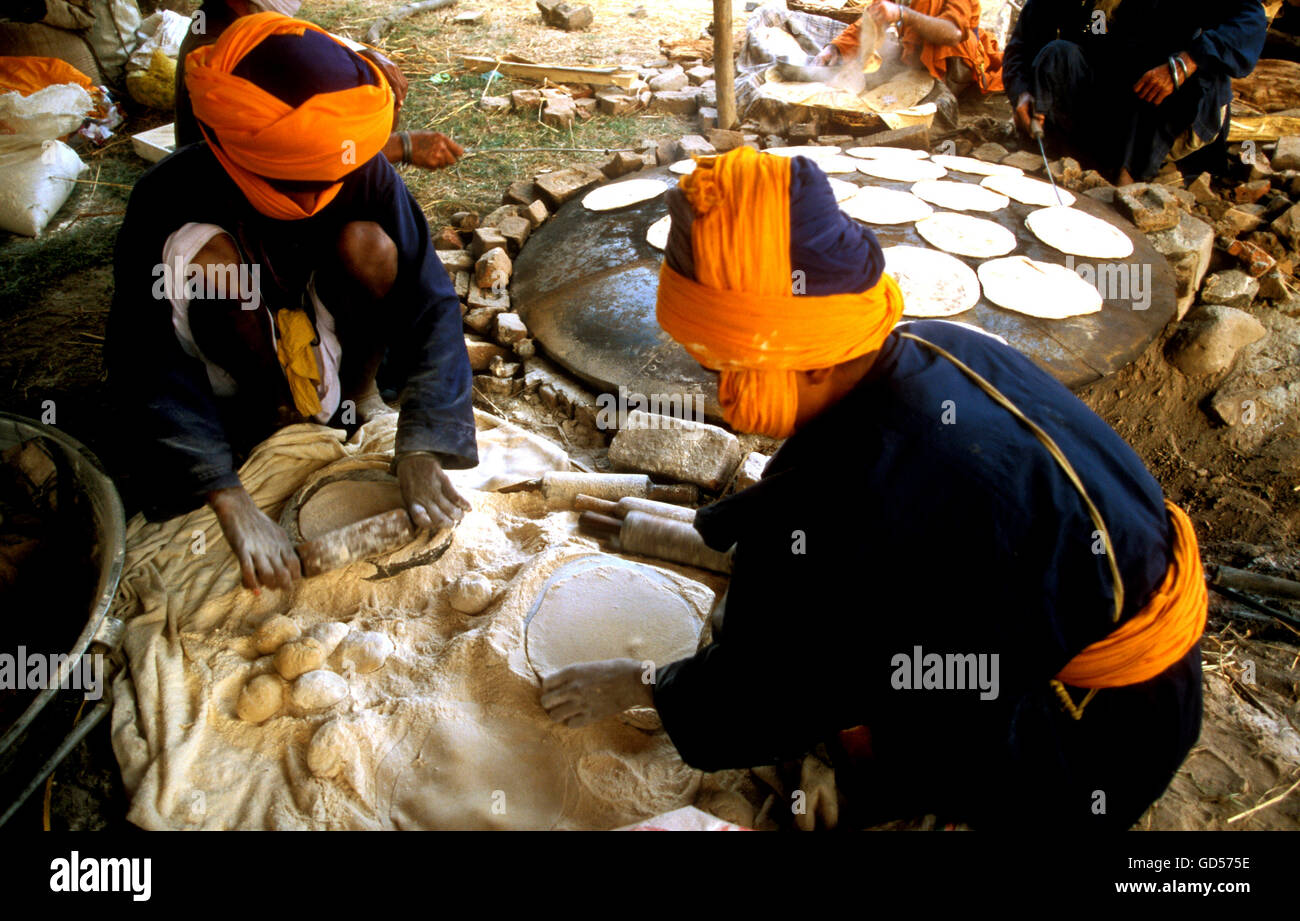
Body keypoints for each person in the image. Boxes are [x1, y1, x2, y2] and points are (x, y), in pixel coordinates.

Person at [539, 146, 1206, 830]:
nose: (716, 390)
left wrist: (643, 682)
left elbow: (766, 695)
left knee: (886, 720)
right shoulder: (937, 344)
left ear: (786, 352)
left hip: (1094, 735)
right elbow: (854, 471)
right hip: (1155, 665)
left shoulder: (859, 512)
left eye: (718, 368)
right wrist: (713, 528)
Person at [107, 12, 477, 592]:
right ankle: (269, 414)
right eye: (290, 181)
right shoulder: (167, 196)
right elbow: (143, 356)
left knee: (373, 245)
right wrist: (226, 495)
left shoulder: (357, 166)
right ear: (228, 149)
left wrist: (423, 445)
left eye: (322, 179)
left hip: (319, 314)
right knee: (208, 262)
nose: (311, 196)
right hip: (225, 349)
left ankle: (353, 397)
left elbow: (429, 300)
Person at [174, 0, 464, 171]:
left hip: (267, 180)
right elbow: (299, 155)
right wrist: (403, 146)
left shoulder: (239, 21)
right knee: (370, 237)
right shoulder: (216, 56)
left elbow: (301, 37)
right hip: (234, 196)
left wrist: (364, 53)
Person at [1004, 0, 1267, 185]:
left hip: (1165, 109)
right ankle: (1062, 160)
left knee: (1188, 65)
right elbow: (1024, 44)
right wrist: (1022, 93)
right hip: (1103, 104)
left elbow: (1249, 21)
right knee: (1058, 54)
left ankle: (1131, 177)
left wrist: (1188, 61)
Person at [813, 0, 1003, 96]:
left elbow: (952, 33)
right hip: (913, 54)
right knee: (853, 76)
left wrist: (902, 13)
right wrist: (835, 48)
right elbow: (874, 15)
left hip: (952, 63)